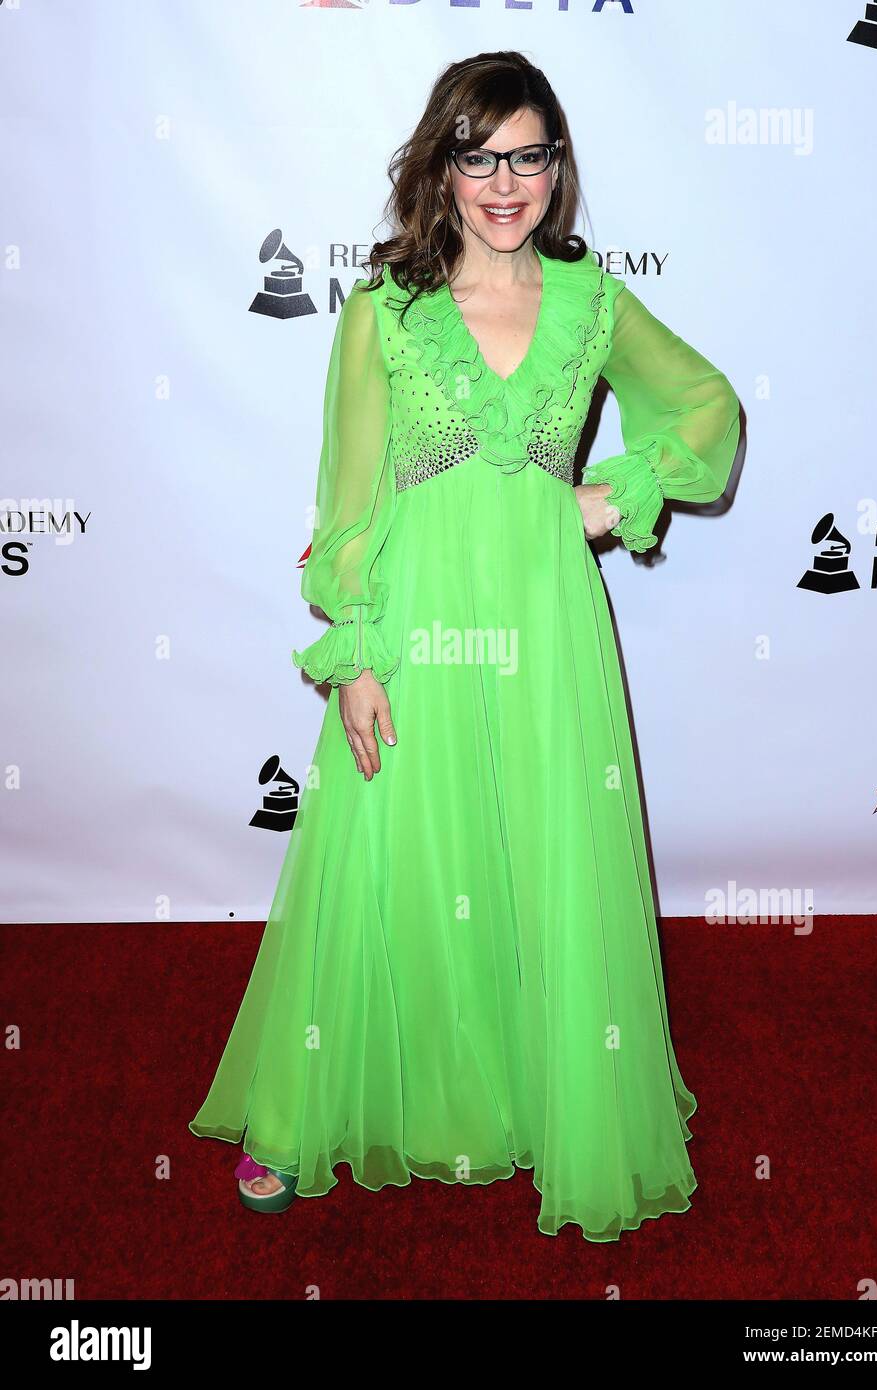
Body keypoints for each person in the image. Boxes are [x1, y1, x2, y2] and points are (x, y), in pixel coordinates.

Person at [189, 49, 742, 1243]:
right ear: (439, 165)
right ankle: (301, 1111)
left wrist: (614, 493)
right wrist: (360, 652)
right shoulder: (380, 313)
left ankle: (544, 1098)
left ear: (556, 166)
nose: (505, 182)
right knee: (382, 860)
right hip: (421, 627)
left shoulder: (592, 303)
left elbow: (706, 408)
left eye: (527, 155)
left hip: (544, 629)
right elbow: (347, 503)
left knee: (541, 855)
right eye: (478, 154)